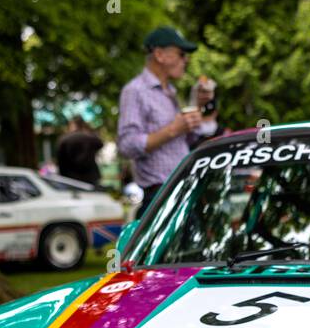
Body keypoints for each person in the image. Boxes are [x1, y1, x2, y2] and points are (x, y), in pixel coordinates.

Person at [118, 26, 212, 217]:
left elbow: (183, 142)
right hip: (160, 197)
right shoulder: (135, 90)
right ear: (159, 54)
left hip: (182, 190)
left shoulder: (170, 91)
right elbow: (126, 145)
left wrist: (198, 111)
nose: (186, 60)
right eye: (181, 54)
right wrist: (173, 129)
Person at [55, 118, 105, 185]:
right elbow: (100, 144)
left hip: (70, 179)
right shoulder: (90, 138)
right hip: (90, 178)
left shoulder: (63, 139)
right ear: (82, 126)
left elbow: (59, 161)